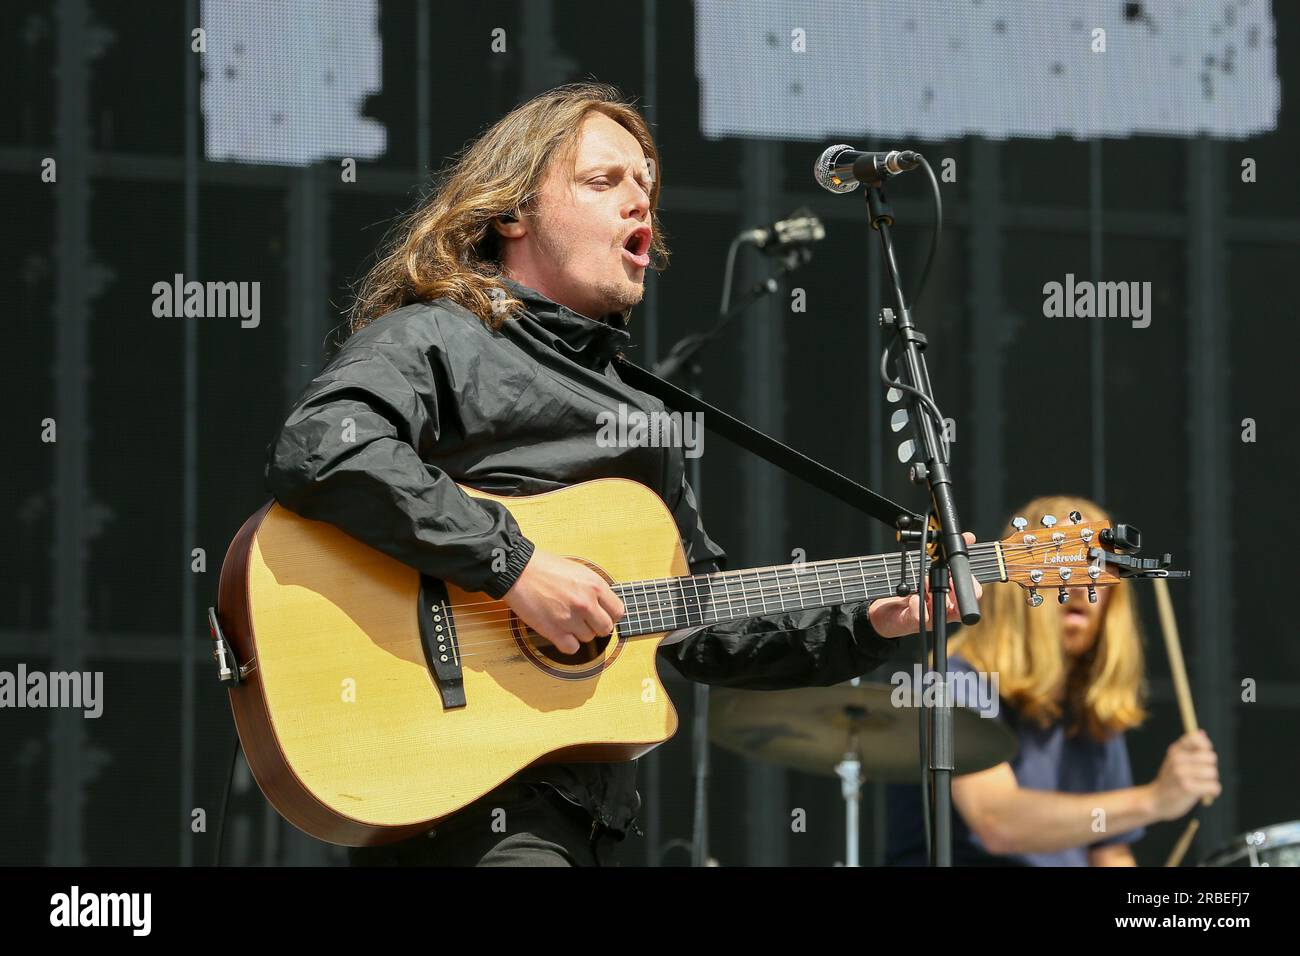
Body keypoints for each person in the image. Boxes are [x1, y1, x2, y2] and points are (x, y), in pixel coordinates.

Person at [263, 82, 979, 866]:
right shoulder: (440, 336)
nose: (640, 204)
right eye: (605, 182)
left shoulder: (638, 410)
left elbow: (699, 623)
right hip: (456, 796)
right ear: (511, 212)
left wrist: (871, 623)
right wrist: (516, 567)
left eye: (648, 187)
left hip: (583, 820)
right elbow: (326, 444)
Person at [885, 494, 1220, 866]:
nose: (1081, 585)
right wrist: (1154, 800)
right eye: (1067, 566)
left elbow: (1109, 850)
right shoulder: (952, 679)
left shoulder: (1092, 704)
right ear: (1021, 581)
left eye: (1096, 567)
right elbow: (998, 822)